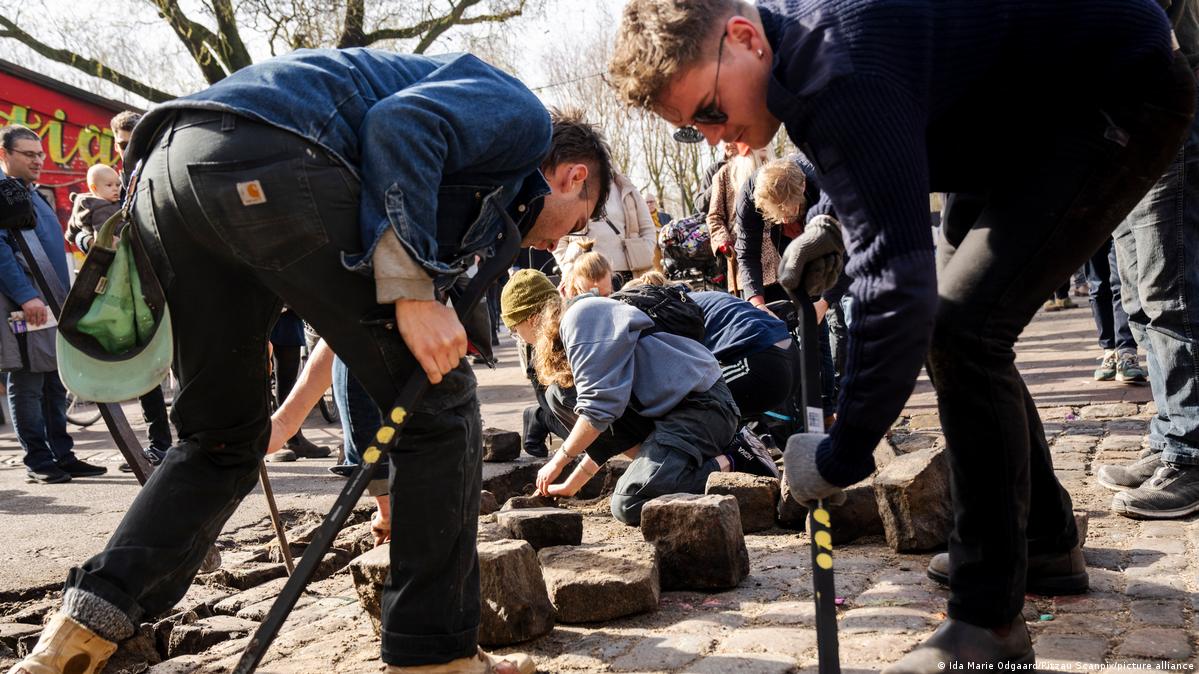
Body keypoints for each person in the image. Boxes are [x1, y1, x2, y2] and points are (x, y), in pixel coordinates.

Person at [609, 0, 1194, 670]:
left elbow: (896, 293)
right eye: (693, 131)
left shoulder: (832, 64)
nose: (713, 138)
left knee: (962, 327)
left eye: (708, 111)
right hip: (1007, 118)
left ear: (742, 38)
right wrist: (829, 220)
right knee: (967, 325)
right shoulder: (795, 62)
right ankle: (1041, 541)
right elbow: (873, 137)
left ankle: (986, 623)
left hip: (1110, 92)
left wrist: (840, 453)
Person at [13, 48, 612, 674]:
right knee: (442, 406)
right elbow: (401, 125)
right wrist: (410, 287)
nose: (560, 241)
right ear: (573, 177)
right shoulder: (520, 118)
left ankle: (76, 637)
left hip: (169, 175)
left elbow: (344, 322)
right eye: (579, 221)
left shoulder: (462, 175)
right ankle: (435, 660)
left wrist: (293, 411)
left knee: (220, 439)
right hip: (269, 155)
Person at [500, 269, 775, 525]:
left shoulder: (579, 318)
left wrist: (557, 461)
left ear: (532, 318)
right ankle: (663, 469)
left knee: (630, 502)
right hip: (671, 412)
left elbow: (599, 410)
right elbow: (611, 432)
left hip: (701, 407)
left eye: (515, 329)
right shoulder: (574, 322)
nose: (519, 338)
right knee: (559, 394)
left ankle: (735, 458)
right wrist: (572, 484)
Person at [1097, 0, 1199, 520]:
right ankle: (1169, 435)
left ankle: (1191, 452)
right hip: (1126, 129)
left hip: (1162, 117)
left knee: (1169, 295)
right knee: (1137, 296)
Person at [0, 124, 103, 485]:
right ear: (4, 154)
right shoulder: (3, 193)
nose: (38, 160)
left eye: (40, 154)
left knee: (55, 380)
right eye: (28, 154)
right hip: (22, 305)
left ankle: (62, 453)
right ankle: (39, 459)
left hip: (53, 303)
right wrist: (26, 295)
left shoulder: (31, 194)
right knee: (27, 379)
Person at [635, 270, 795, 421]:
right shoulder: (700, 297)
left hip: (761, 360)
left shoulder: (671, 311)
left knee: (681, 407)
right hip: (790, 357)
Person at [109, 110, 174, 470]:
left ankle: (190, 440)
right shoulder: (117, 182)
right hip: (140, 290)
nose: (127, 150)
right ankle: (159, 444)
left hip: (177, 283)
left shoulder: (164, 168)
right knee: (147, 367)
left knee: (182, 365)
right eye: (121, 144)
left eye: (133, 142)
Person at [556, 171, 657, 284]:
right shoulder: (570, 189)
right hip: (582, 273)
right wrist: (566, 265)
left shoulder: (627, 189)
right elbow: (557, 235)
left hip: (627, 274)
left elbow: (648, 229)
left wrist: (643, 253)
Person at [264, 308, 331, 462]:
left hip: (286, 308)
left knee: (288, 374)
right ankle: (265, 439)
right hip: (257, 305)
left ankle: (293, 438)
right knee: (261, 373)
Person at [706, 141, 766, 295]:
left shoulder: (770, 167)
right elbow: (714, 216)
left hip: (778, 257)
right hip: (743, 254)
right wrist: (723, 241)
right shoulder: (725, 174)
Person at [1085, 239, 1146, 383]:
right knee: (1097, 287)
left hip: (1119, 222)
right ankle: (1110, 351)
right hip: (1087, 225)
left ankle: (1127, 352)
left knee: (1123, 283)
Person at [64, 164, 121, 253]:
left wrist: (70, 236)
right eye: (109, 185)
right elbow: (102, 231)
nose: (115, 189)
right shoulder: (101, 207)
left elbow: (73, 224)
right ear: (94, 188)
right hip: (109, 247)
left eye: (117, 185)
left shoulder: (81, 201)